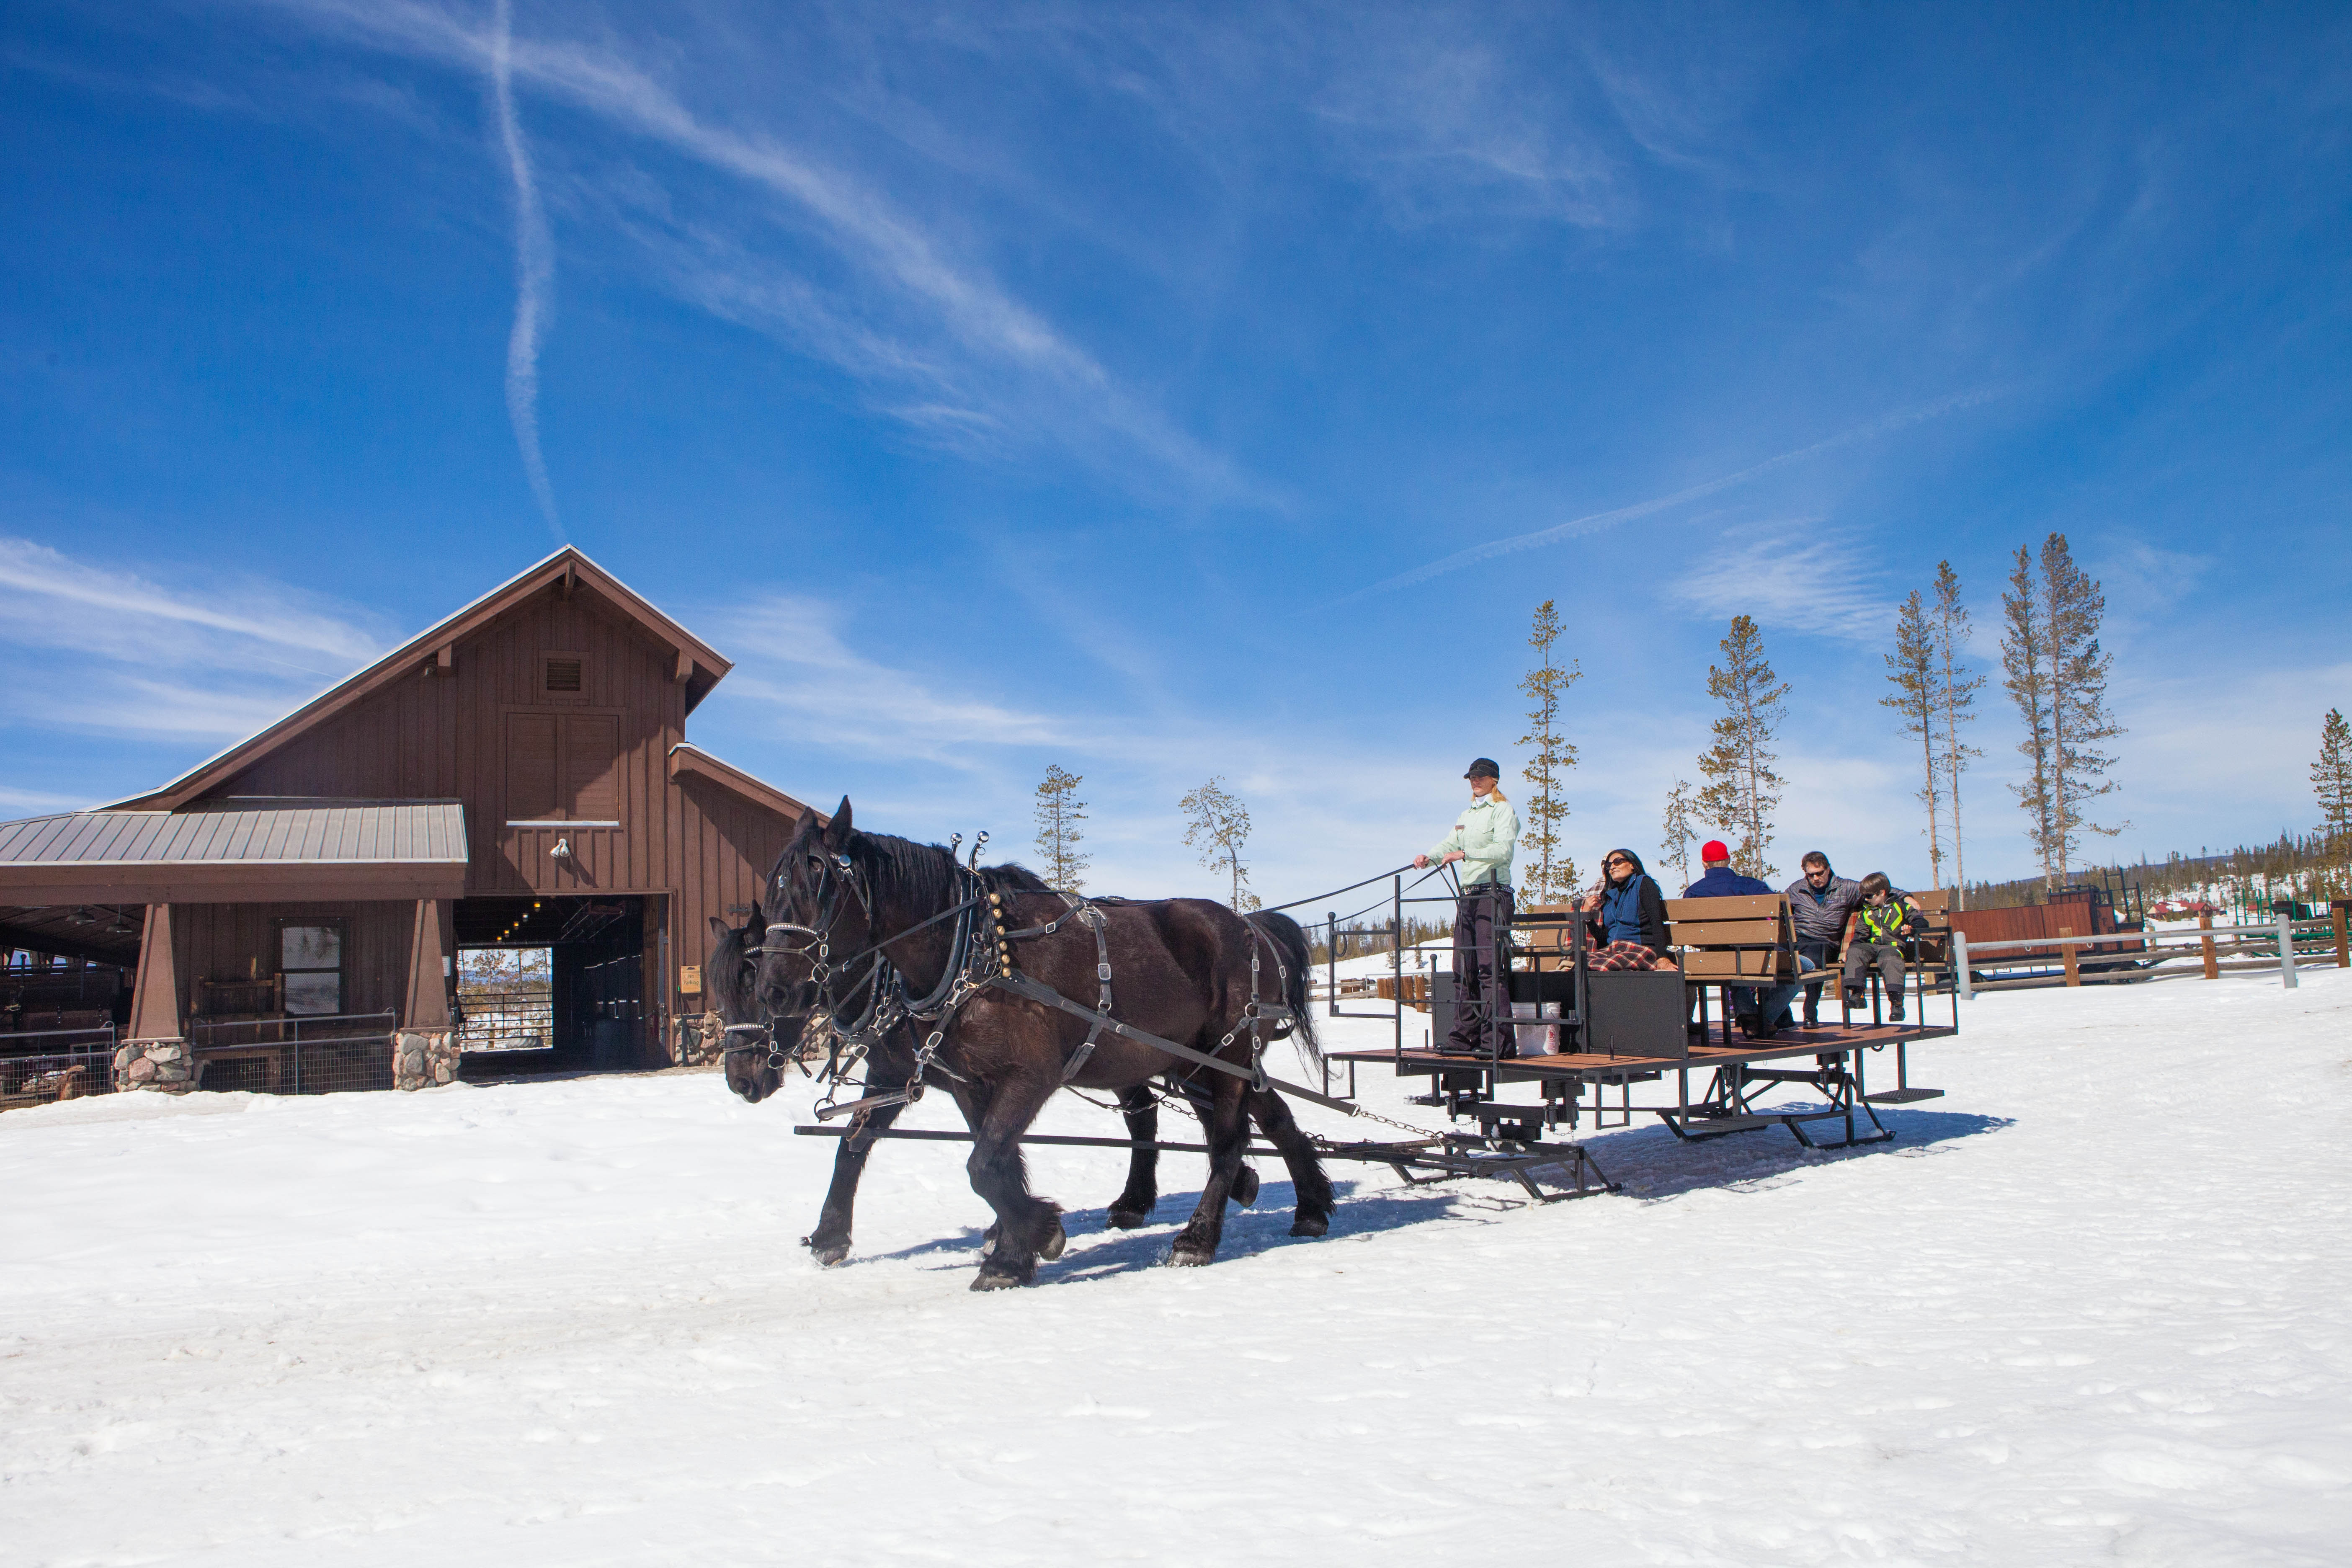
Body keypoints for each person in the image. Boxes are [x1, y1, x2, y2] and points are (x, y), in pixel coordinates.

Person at [1413, 758, 1518, 1055]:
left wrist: (1465, 854)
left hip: (1493, 894)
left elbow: (1503, 850)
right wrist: (1429, 858)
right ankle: (1463, 1039)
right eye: (1472, 777)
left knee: (1488, 969)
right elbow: (1449, 844)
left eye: (1481, 776)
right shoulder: (1466, 815)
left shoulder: (1503, 811)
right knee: (1463, 968)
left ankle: (1496, 1042)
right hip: (1468, 897)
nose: (1475, 781)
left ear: (1494, 780)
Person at [1681, 839, 1799, 1037]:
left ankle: (1748, 1015)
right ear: (1728, 860)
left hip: (1713, 961)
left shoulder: (1693, 892)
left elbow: (1691, 935)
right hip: (1758, 958)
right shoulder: (1753, 886)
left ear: (1704, 863)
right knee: (1804, 966)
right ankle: (1766, 1017)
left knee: (1734, 962)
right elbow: (1778, 921)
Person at [1784, 851, 1862, 1027]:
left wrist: (1906, 898)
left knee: (1813, 961)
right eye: (1811, 875)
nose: (1816, 878)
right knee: (1773, 958)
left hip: (1825, 942)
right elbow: (1777, 907)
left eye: (1820, 873)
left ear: (1828, 869)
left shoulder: (1846, 888)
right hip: (1798, 940)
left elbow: (1877, 889)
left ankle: (1810, 1011)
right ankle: (1779, 1014)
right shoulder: (1797, 889)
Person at [1842, 872, 1926, 1021]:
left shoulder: (1900, 907)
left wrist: (1911, 929)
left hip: (1892, 946)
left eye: (1869, 896)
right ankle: (1857, 994)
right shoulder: (1867, 913)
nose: (1866, 899)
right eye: (1864, 897)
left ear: (1882, 893)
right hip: (1873, 947)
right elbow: (1860, 938)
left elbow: (1921, 922)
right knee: (1856, 951)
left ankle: (1897, 1004)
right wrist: (1849, 952)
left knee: (1891, 959)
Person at [1579, 848, 1671, 969]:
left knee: (1600, 967)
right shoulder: (1610, 895)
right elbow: (1604, 939)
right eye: (1608, 865)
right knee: (1579, 965)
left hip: (1641, 949)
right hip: (1614, 951)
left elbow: (1656, 921)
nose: (1612, 867)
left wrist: (1662, 958)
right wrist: (1588, 918)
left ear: (1632, 865)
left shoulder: (1643, 883)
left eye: (1618, 862)